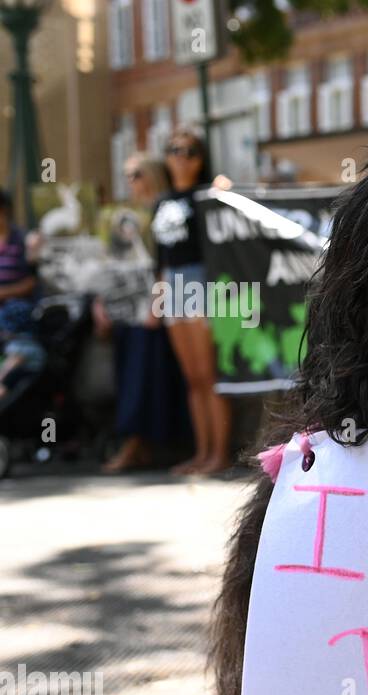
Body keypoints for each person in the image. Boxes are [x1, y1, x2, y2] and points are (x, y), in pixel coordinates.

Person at [95, 153, 190, 472]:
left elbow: (165, 261)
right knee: (130, 374)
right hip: (125, 304)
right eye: (126, 174)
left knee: (147, 376)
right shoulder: (123, 215)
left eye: (135, 173)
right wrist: (101, 304)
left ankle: (138, 444)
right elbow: (111, 262)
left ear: (150, 174)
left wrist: (157, 303)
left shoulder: (163, 212)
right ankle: (141, 446)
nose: (129, 180)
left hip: (153, 305)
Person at [155, 126, 230, 475]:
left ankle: (218, 455)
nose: (180, 157)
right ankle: (201, 454)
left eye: (189, 151)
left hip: (200, 280)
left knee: (208, 375)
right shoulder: (162, 200)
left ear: (200, 159)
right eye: (174, 150)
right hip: (171, 284)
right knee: (192, 379)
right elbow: (160, 255)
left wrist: (223, 192)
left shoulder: (206, 195)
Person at [0, 188, 42, 411]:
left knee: (21, 345)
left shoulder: (23, 241)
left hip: (16, 311)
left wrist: (4, 294)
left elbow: (32, 283)